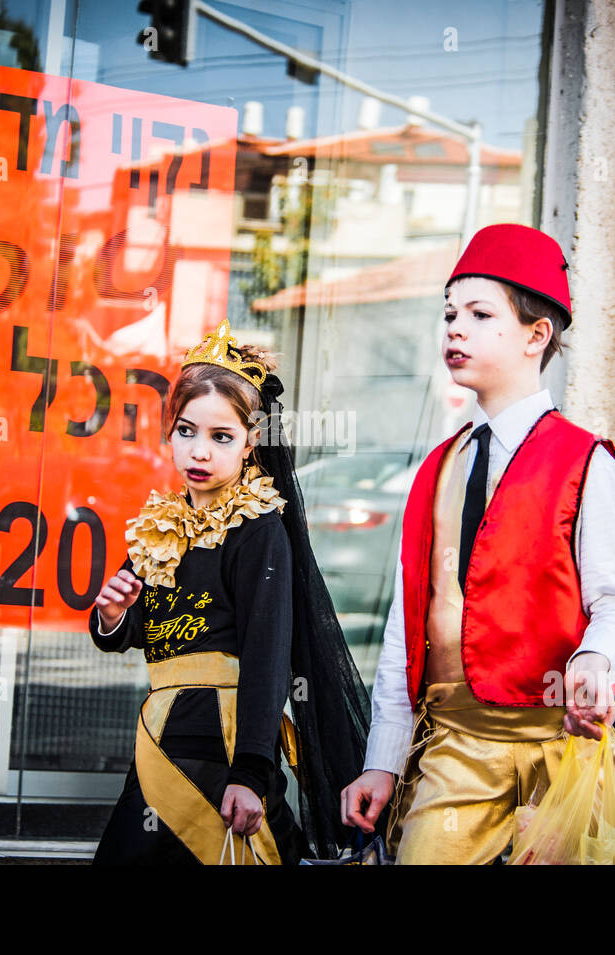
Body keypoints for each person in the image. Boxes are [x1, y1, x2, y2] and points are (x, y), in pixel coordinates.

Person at [338, 224, 615, 865]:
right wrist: (383, 761)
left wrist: (597, 660)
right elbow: (409, 632)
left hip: (564, 752)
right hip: (455, 748)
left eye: (481, 314)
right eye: (450, 313)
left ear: (537, 336)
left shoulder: (585, 462)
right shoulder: (435, 469)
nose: (455, 328)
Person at [89, 319, 369, 865]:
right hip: (162, 734)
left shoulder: (258, 530)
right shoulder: (159, 524)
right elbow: (137, 634)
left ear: (250, 445)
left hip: (224, 740)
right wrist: (115, 616)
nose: (200, 451)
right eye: (187, 431)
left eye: (222, 437)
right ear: (169, 431)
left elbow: (268, 659)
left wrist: (251, 773)